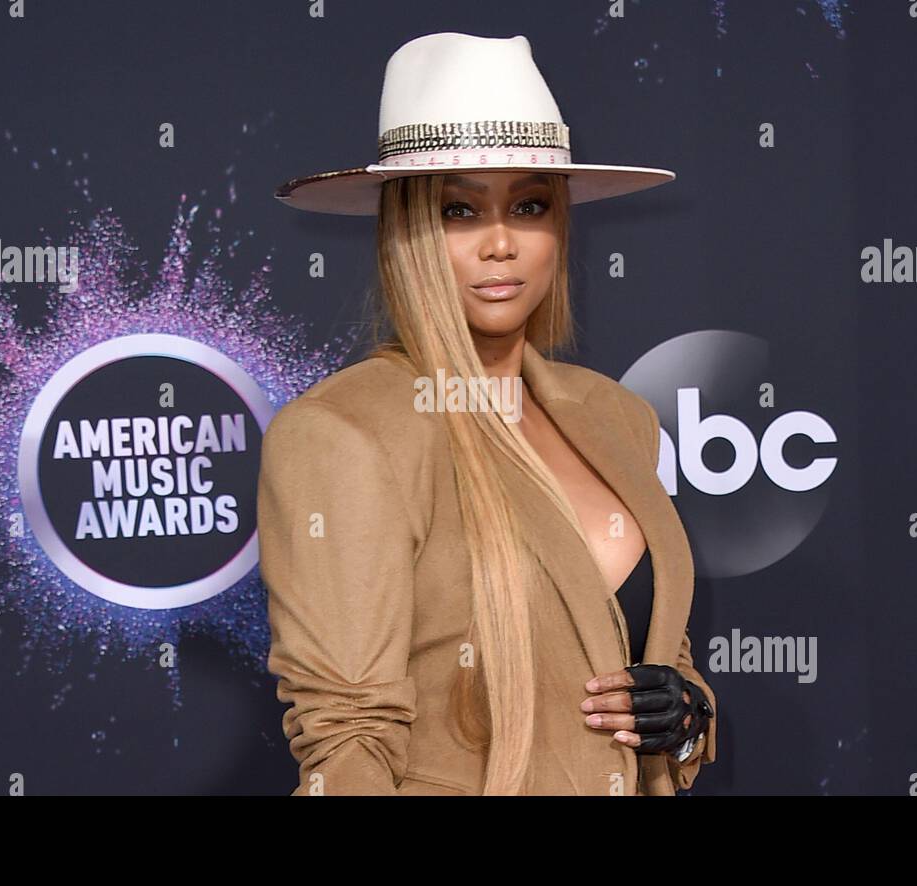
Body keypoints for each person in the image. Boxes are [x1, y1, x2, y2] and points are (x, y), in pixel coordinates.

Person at [259, 31, 716, 795]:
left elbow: (657, 651)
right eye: (461, 210)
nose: (500, 244)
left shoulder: (618, 416)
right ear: (404, 230)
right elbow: (350, 743)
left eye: (529, 205)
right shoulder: (343, 435)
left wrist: (686, 712)